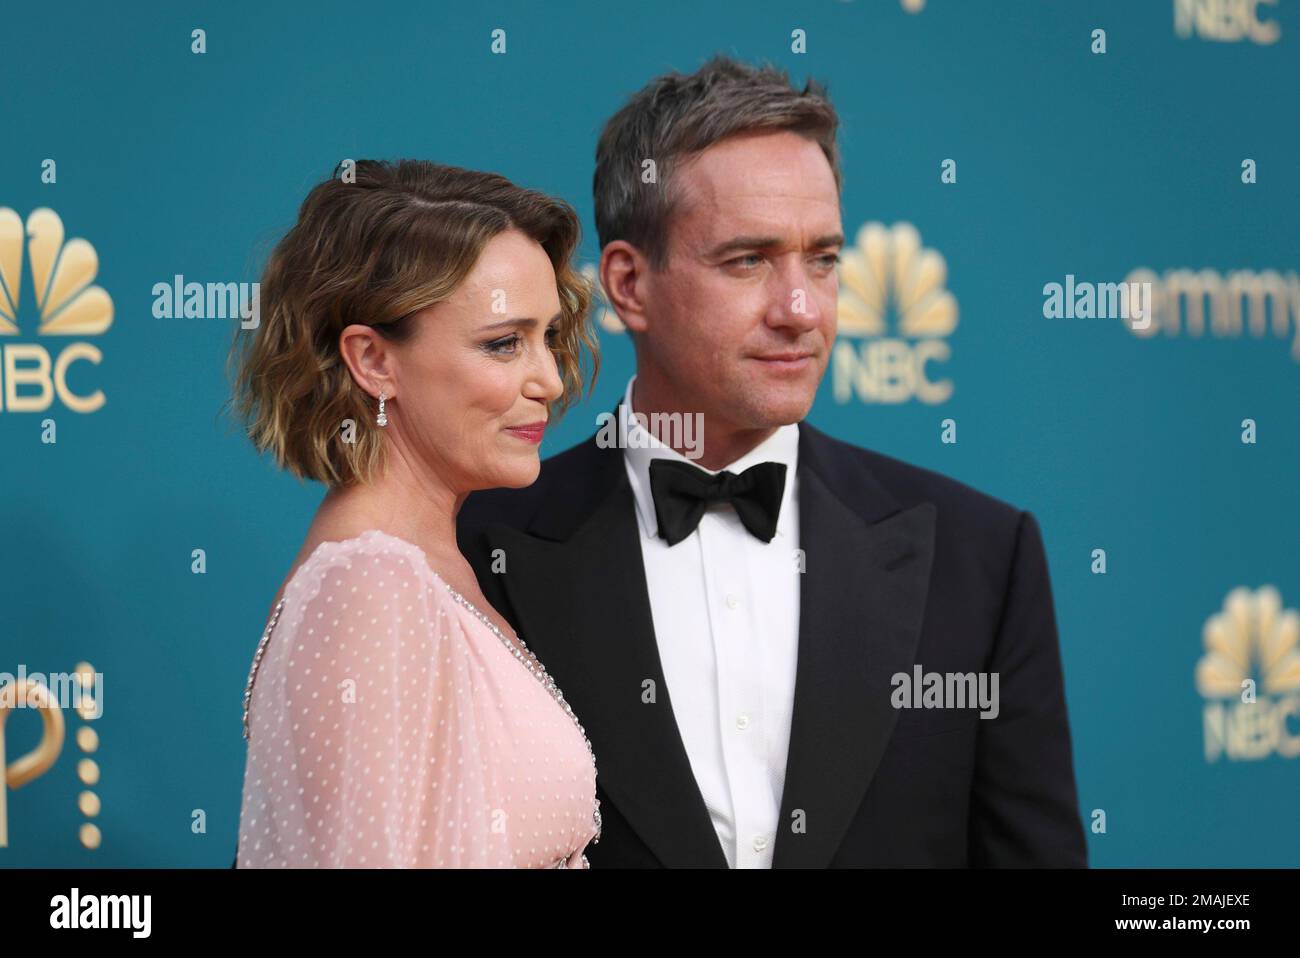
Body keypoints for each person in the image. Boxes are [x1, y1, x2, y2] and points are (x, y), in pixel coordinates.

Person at [457, 56, 1089, 867]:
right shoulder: (477, 547)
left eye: (822, 259)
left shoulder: (982, 557)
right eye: (748, 260)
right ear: (629, 284)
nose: (801, 310)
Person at [228, 159, 601, 867]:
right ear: (373, 360)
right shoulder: (369, 587)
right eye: (503, 343)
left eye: (549, 336)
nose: (549, 379)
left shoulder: (426, 564)